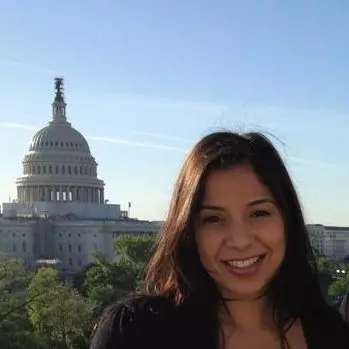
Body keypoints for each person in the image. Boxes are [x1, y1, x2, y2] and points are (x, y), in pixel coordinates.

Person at [90, 131, 349, 349]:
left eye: (259, 213)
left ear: (287, 220)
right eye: (213, 219)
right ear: (189, 231)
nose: (240, 241)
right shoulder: (135, 335)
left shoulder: (331, 334)